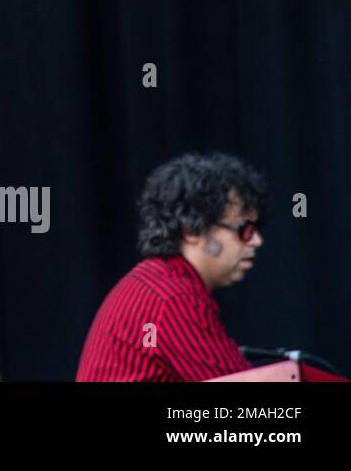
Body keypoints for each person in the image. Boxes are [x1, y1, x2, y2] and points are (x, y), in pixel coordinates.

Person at [76, 152, 267, 381]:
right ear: (192, 230)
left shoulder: (155, 283)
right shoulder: (173, 298)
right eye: (245, 229)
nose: (257, 240)